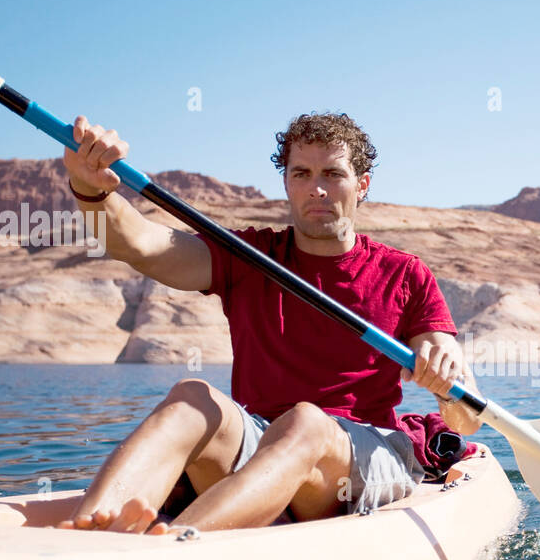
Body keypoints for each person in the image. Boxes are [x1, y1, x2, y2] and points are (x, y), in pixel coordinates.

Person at [56, 112, 481, 534]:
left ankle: (178, 548)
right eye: (302, 173)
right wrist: (91, 191)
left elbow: (467, 419)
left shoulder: (403, 273)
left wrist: (448, 386)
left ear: (362, 185)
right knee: (192, 396)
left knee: (306, 422)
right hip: (262, 445)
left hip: (364, 455)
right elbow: (141, 245)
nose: (317, 189)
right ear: (287, 183)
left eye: (333, 174)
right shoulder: (249, 255)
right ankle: (87, 532)